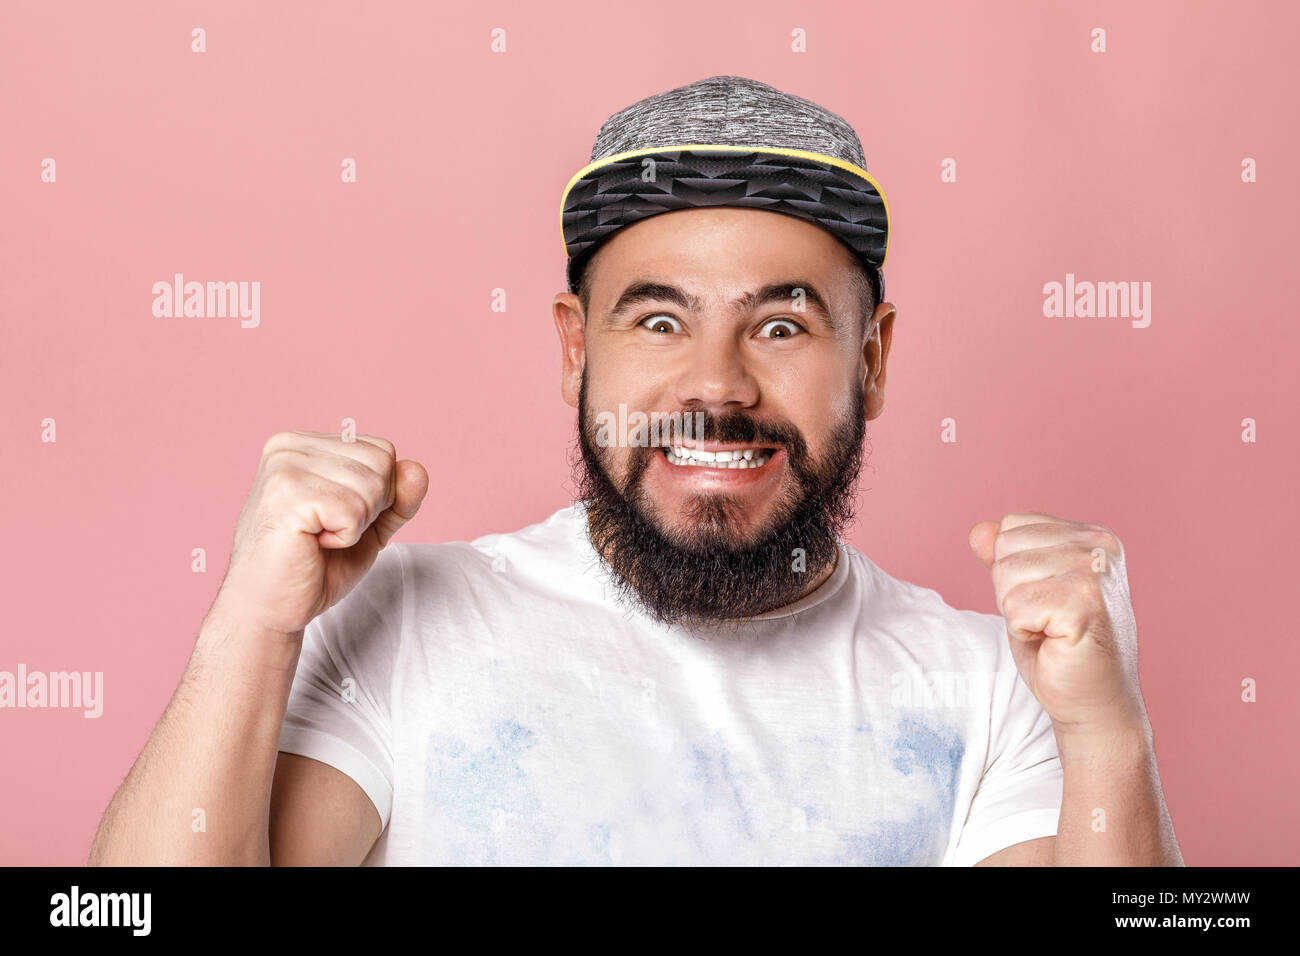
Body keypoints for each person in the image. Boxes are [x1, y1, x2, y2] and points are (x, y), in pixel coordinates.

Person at [89, 75, 1182, 866]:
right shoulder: (408, 622)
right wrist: (250, 625)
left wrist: (1106, 731)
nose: (717, 386)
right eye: (659, 319)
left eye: (783, 327)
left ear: (874, 358)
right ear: (574, 348)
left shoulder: (995, 683)